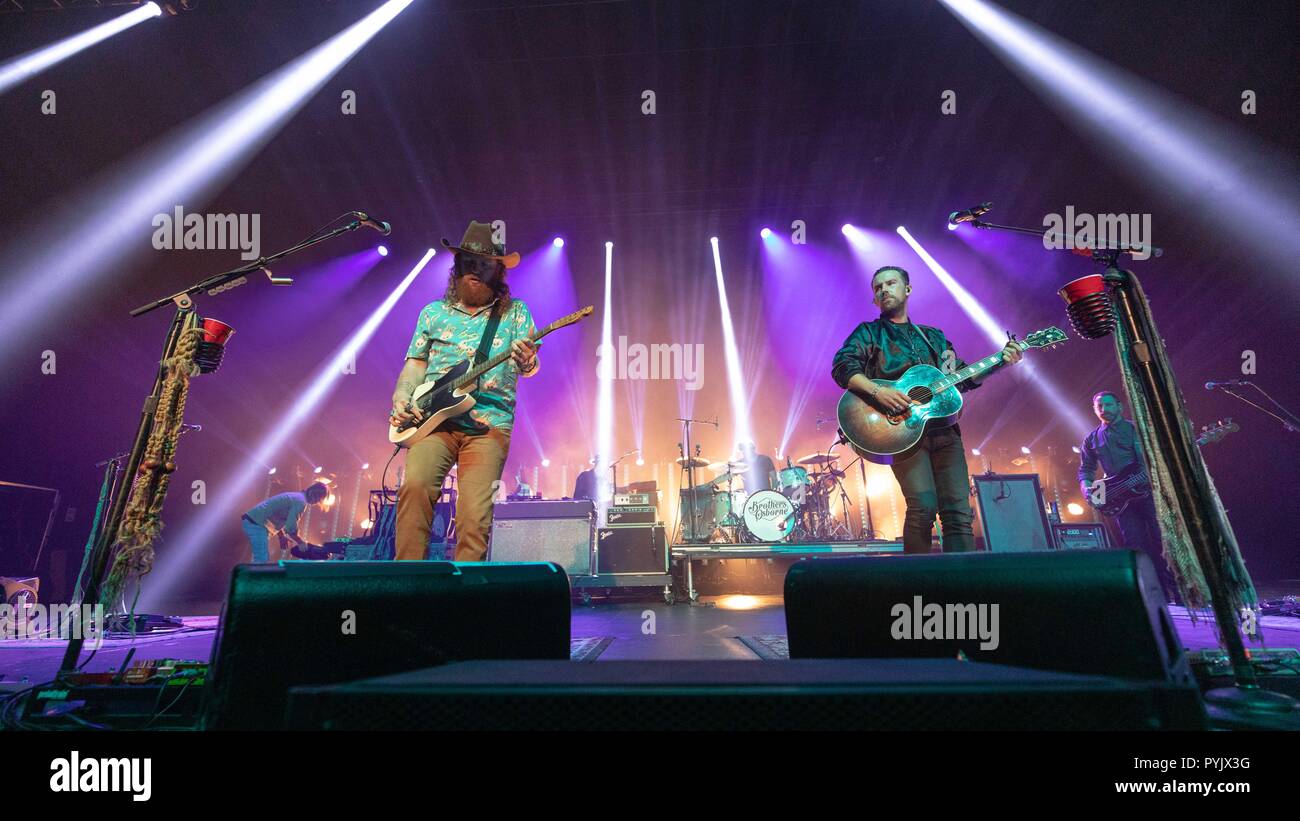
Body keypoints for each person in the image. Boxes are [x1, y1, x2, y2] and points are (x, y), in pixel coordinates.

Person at [831, 265, 1022, 554]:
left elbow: (961, 377)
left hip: (945, 431)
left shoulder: (933, 337)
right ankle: (916, 588)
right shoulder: (869, 333)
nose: (883, 290)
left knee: (958, 513)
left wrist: (1000, 363)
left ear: (907, 289)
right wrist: (878, 391)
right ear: (874, 299)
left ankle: (960, 589)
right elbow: (843, 366)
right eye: (877, 287)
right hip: (901, 431)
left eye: (890, 283)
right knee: (923, 506)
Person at [389, 221, 540, 561]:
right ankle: (406, 587)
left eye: (484, 264)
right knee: (414, 489)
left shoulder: (516, 313)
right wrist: (401, 398)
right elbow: (415, 365)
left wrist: (528, 361)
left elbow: (530, 367)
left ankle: (465, 600)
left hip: (488, 425)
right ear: (456, 267)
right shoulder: (433, 313)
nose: (475, 270)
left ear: (498, 272)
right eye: (468, 262)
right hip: (432, 421)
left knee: (474, 517)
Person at [1078, 390, 1175, 598]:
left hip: (1149, 493)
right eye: (1099, 406)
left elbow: (1157, 458)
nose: (1104, 410)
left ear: (1120, 407)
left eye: (1109, 405)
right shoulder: (1091, 439)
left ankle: (1178, 592)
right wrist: (1087, 489)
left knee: (1163, 541)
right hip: (1120, 500)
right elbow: (1086, 470)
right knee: (1136, 546)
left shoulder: (1136, 429)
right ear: (1095, 410)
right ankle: (1153, 593)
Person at [241, 482, 328, 563]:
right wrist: (301, 542)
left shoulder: (297, 497)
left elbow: (278, 517)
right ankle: (254, 579)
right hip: (257, 523)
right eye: (318, 498)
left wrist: (281, 536)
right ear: (313, 493)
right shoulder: (300, 502)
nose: (317, 502)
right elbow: (291, 526)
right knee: (262, 560)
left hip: (254, 521)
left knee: (260, 558)